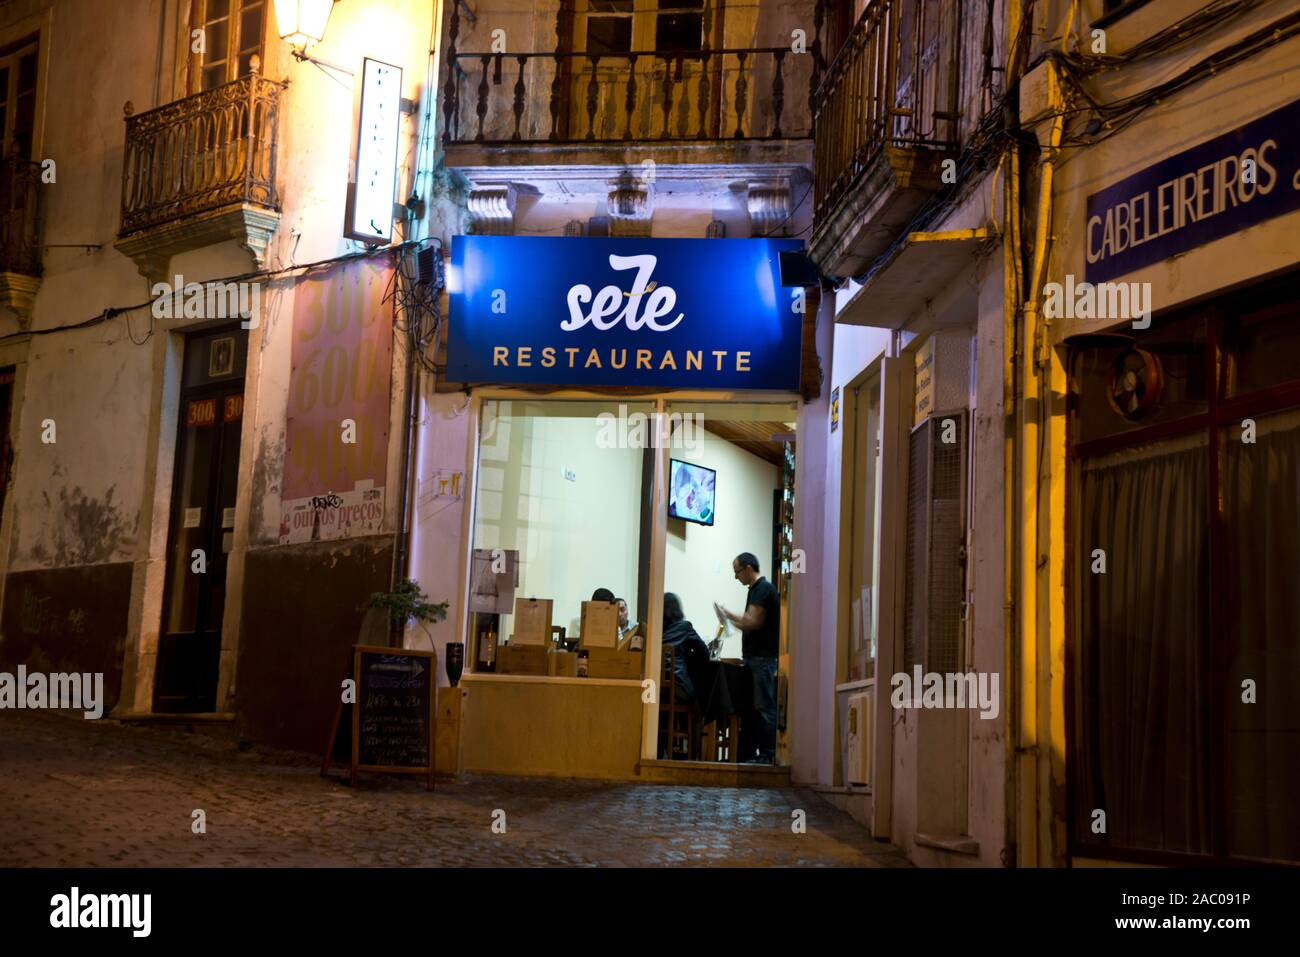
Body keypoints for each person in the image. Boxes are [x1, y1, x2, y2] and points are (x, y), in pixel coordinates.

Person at [715, 552, 780, 764]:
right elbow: (748, 624)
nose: (736, 577)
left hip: (762, 658)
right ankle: (750, 754)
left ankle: (767, 754)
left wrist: (727, 613)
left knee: (764, 707)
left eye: (737, 572)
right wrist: (728, 619)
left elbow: (752, 621)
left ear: (749, 568)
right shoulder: (755, 590)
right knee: (753, 709)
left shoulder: (763, 589)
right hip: (755, 658)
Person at [661, 593, 711, 705]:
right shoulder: (684, 627)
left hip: (656, 688)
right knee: (700, 692)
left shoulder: (656, 629)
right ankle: (695, 722)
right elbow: (704, 653)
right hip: (678, 686)